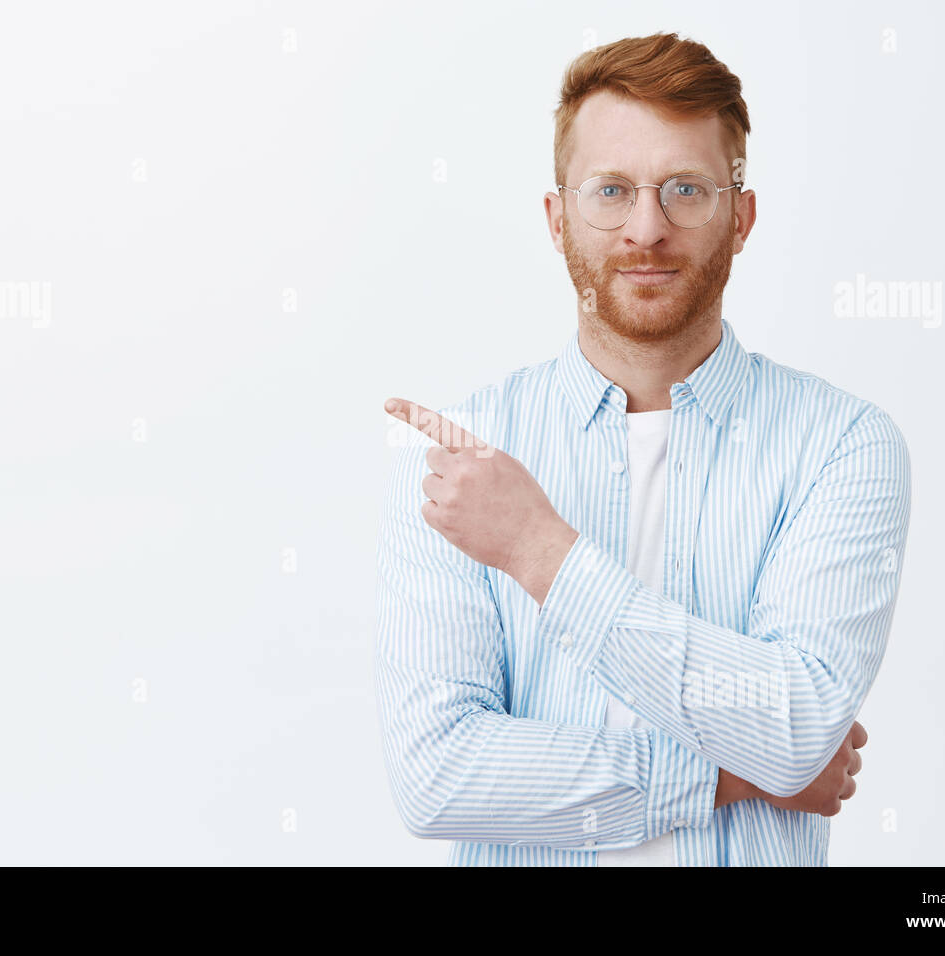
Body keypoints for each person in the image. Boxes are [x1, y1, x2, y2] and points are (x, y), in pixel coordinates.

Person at [374, 31, 911, 866]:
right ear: (557, 220)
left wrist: (538, 551)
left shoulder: (840, 445)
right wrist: (732, 776)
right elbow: (439, 776)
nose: (647, 228)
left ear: (742, 217)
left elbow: (801, 732)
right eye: (611, 190)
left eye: (687, 190)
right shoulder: (457, 458)